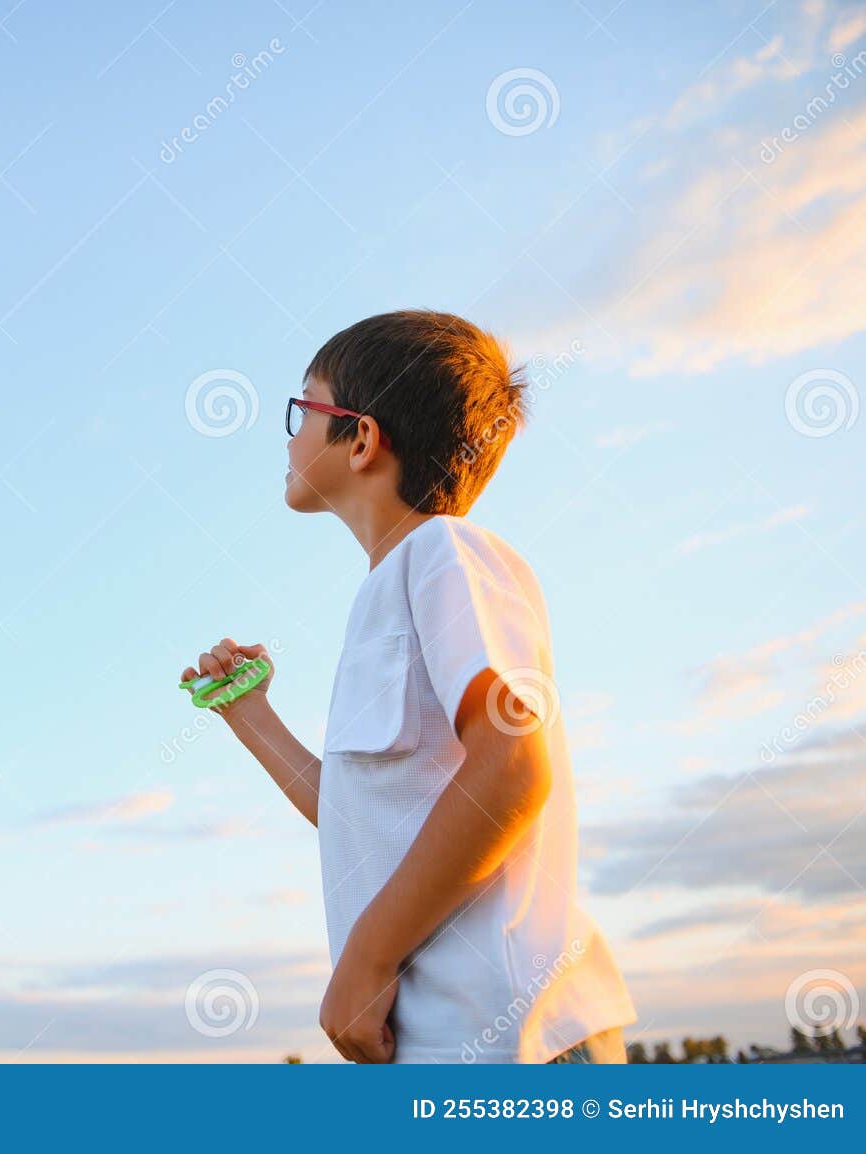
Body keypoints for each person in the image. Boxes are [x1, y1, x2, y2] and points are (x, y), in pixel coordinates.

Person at [181, 310, 635, 1063]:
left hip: (519, 1042)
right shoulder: (391, 588)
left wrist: (367, 959)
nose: (288, 434)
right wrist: (247, 713)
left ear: (359, 438)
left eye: (303, 407)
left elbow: (514, 763)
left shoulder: (444, 553)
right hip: (444, 1047)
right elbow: (363, 824)